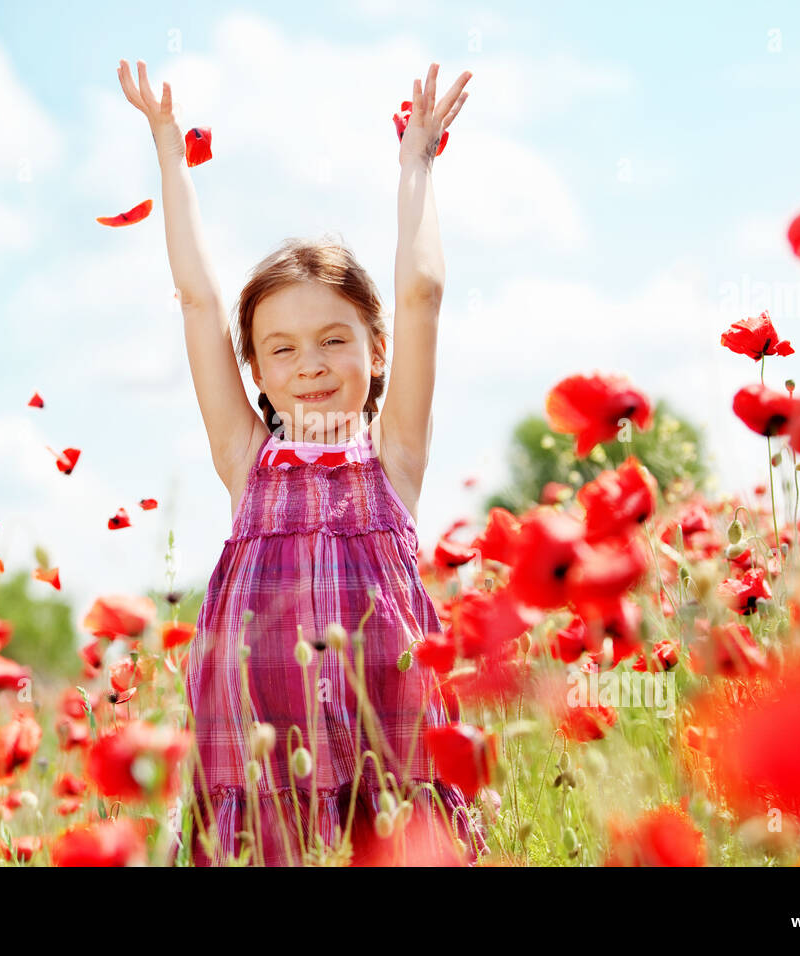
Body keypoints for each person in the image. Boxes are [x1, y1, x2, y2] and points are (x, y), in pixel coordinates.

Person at [119, 59, 485, 866]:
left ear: (376, 349)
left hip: (380, 723)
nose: (310, 364)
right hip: (259, 736)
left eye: (334, 340)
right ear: (252, 367)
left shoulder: (394, 455)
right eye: (281, 348)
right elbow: (199, 301)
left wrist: (417, 162)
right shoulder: (244, 456)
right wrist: (170, 157)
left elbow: (421, 291)